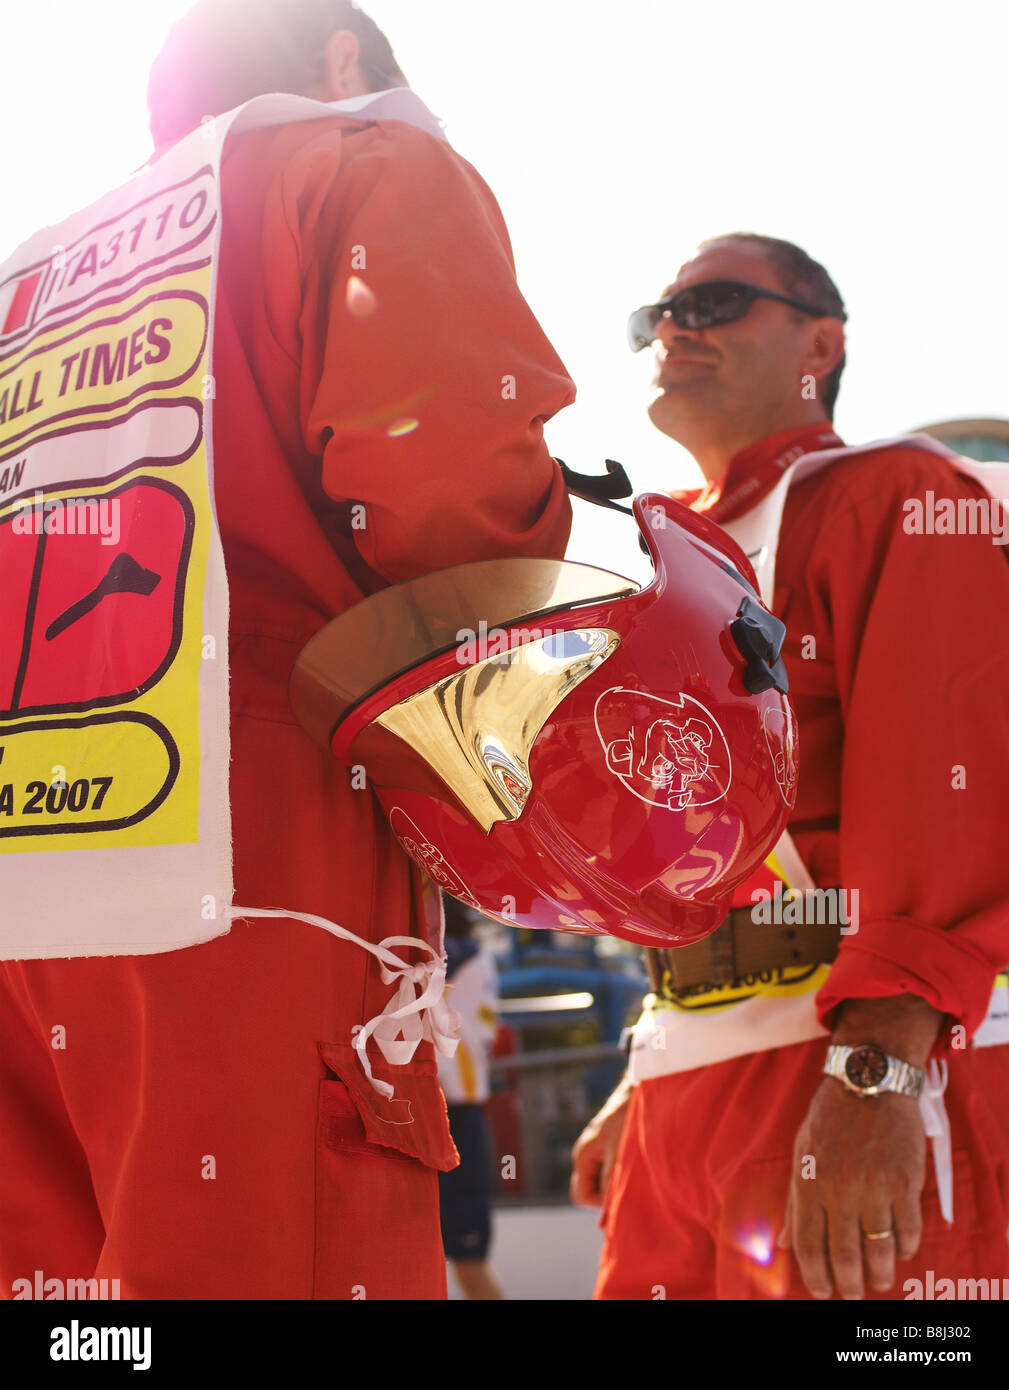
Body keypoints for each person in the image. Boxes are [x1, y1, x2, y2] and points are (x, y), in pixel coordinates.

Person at [0, 0, 573, 1300]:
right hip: (247, 852)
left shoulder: (32, 272)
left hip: (28, 856)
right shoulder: (362, 158)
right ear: (342, 62)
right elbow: (450, 514)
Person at [572, 232, 1009, 1301]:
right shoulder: (659, 557)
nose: (674, 328)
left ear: (820, 342)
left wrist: (877, 1069)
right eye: (657, 316)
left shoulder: (893, 495)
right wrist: (650, 1061)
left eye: (716, 302)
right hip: (686, 1078)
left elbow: (947, 789)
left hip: (851, 1066)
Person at [435, 897, 503, 1300]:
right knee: (463, 1264)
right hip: (452, 1115)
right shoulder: (472, 957)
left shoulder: (459, 958)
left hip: (453, 1116)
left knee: (468, 1262)